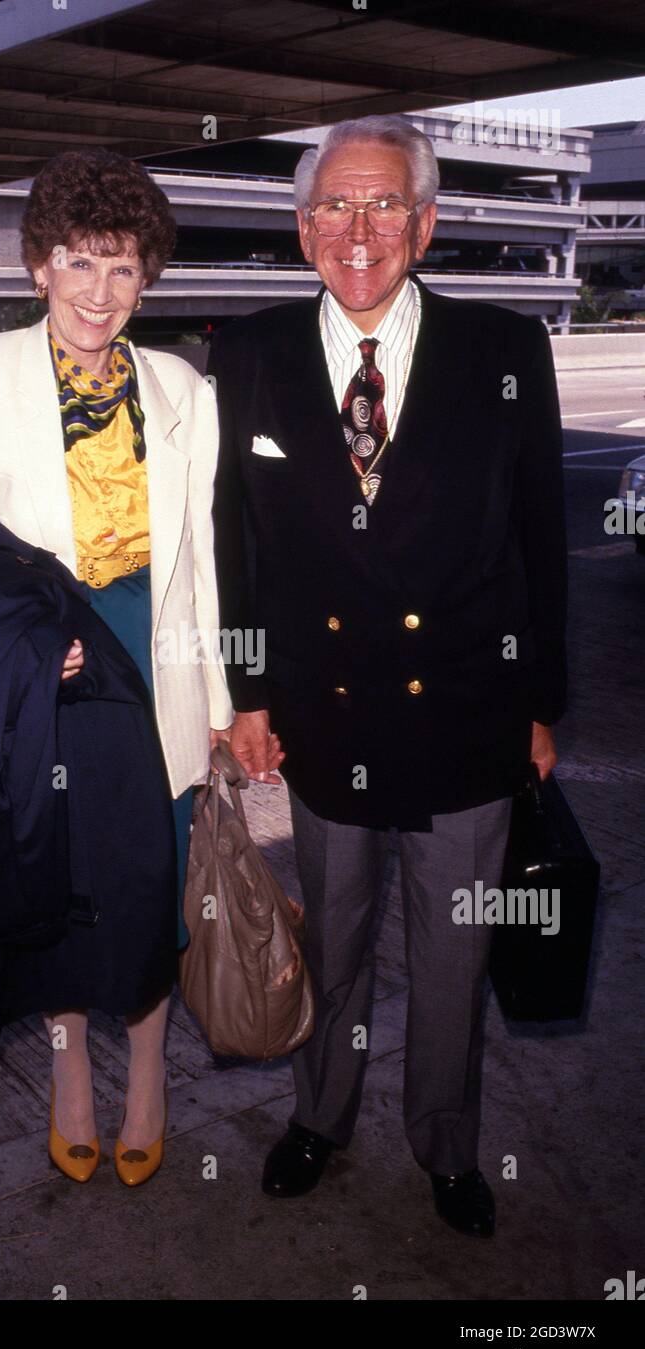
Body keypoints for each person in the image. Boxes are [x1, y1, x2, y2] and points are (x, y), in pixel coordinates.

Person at [209, 115, 567, 1236]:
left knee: (454, 952)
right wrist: (249, 694)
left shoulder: (504, 347)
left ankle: (446, 1143)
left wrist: (538, 702)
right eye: (333, 208)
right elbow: (238, 543)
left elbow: (539, 538)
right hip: (322, 716)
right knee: (334, 940)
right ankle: (317, 1118)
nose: (355, 232)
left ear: (422, 222)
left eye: (380, 207)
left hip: (463, 709)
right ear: (301, 223)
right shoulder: (251, 349)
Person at [0, 148, 233, 1186]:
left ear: (148, 279)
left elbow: (204, 562)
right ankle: (66, 1074)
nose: (101, 293)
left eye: (125, 268)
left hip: (153, 655)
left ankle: (148, 1072)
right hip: (33, 658)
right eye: (79, 263)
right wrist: (11, 662)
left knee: (148, 872)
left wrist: (223, 704)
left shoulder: (181, 388)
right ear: (37, 265)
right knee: (48, 868)